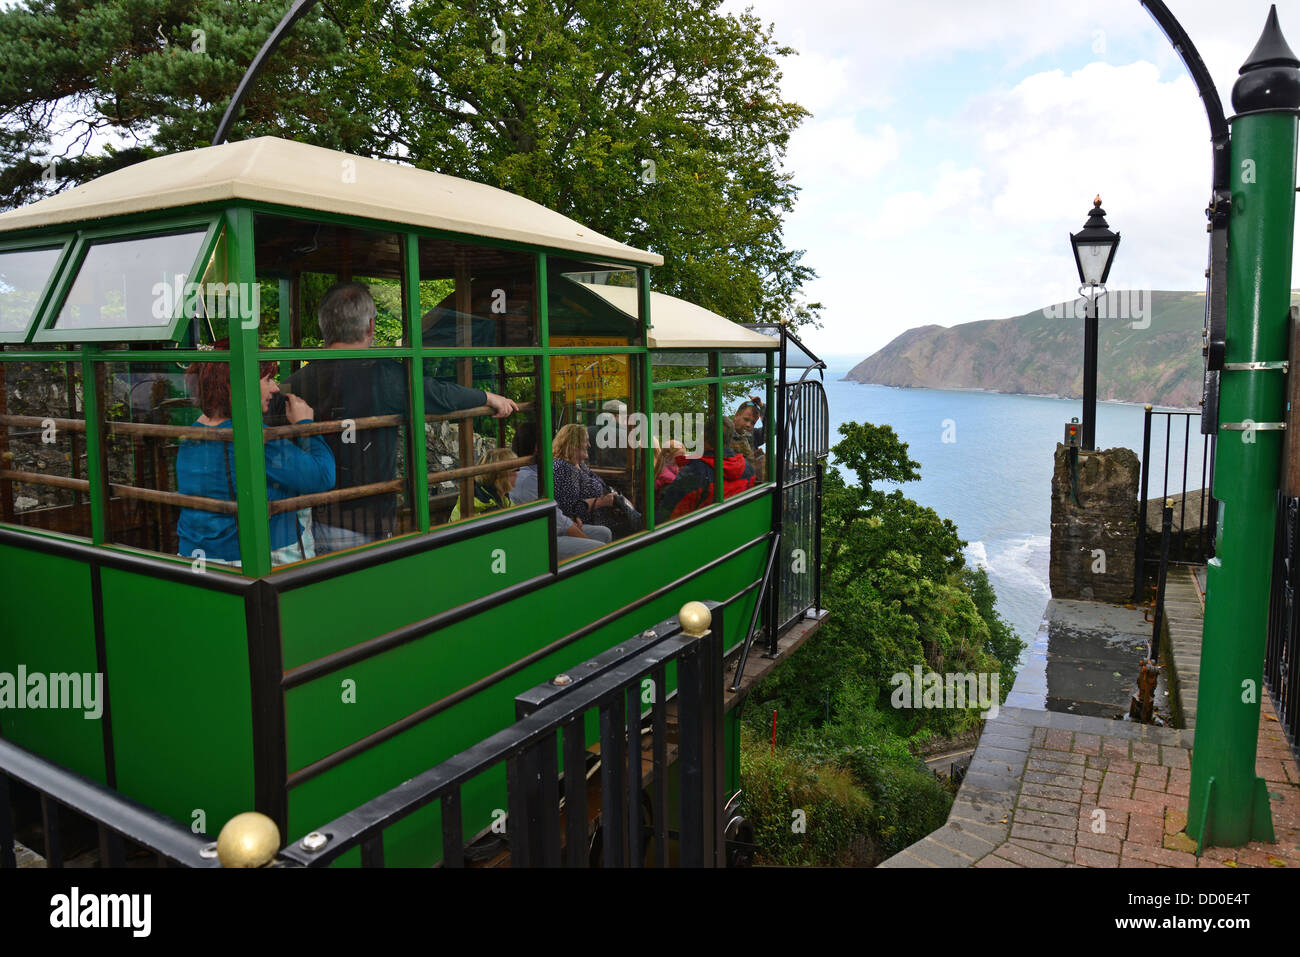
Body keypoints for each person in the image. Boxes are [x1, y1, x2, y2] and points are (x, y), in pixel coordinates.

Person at [285, 282, 519, 553]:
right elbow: (438, 395)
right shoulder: (382, 375)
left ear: (324, 325)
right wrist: (486, 397)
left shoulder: (296, 382)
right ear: (371, 326)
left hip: (308, 522)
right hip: (366, 522)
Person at [177, 356, 335, 566]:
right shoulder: (256, 439)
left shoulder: (190, 435)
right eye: (268, 379)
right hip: (263, 555)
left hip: (197, 555)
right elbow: (322, 477)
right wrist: (306, 425)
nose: (276, 388)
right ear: (242, 384)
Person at [508, 422, 612, 558]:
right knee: (599, 549)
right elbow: (558, 518)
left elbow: (556, 512)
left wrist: (571, 519)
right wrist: (584, 537)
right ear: (537, 448)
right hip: (541, 535)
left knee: (604, 533)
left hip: (555, 525)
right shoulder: (532, 479)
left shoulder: (540, 472)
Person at [654, 417, 756, 525]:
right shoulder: (748, 469)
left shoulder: (694, 473)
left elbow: (663, 519)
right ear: (730, 439)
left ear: (704, 437)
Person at [552, 422, 641, 540]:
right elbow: (568, 509)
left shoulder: (581, 465)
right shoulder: (563, 468)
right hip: (590, 524)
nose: (589, 445)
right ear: (573, 444)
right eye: (585, 441)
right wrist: (602, 502)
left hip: (606, 518)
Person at [450, 448, 518, 520]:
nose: (517, 474)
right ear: (499, 476)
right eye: (514, 470)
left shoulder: (498, 496)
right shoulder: (486, 510)